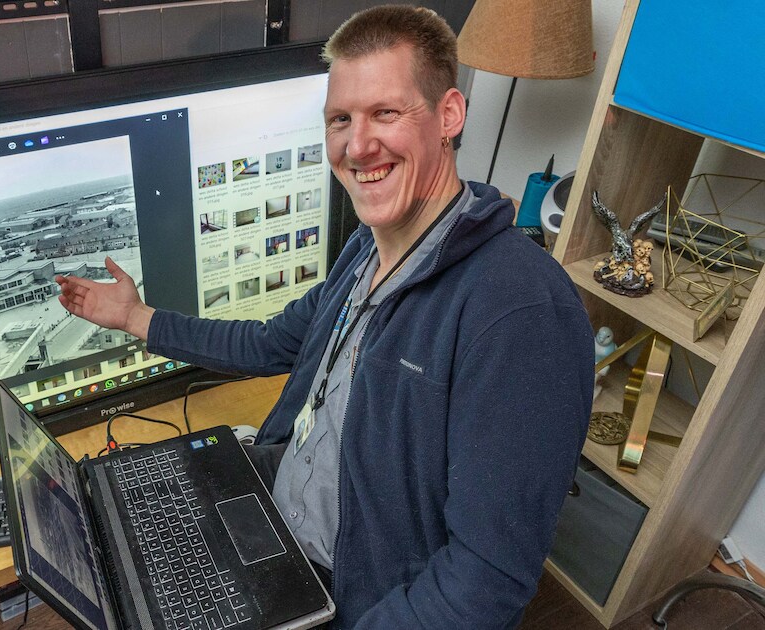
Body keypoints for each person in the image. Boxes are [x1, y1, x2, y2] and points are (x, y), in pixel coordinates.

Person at [56, 5, 593, 628]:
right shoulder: (368, 247)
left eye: (385, 113)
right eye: (341, 119)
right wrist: (136, 318)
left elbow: (485, 578)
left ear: (449, 114)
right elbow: (268, 343)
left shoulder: (523, 314)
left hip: (347, 597)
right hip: (273, 523)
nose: (357, 145)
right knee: (106, 535)